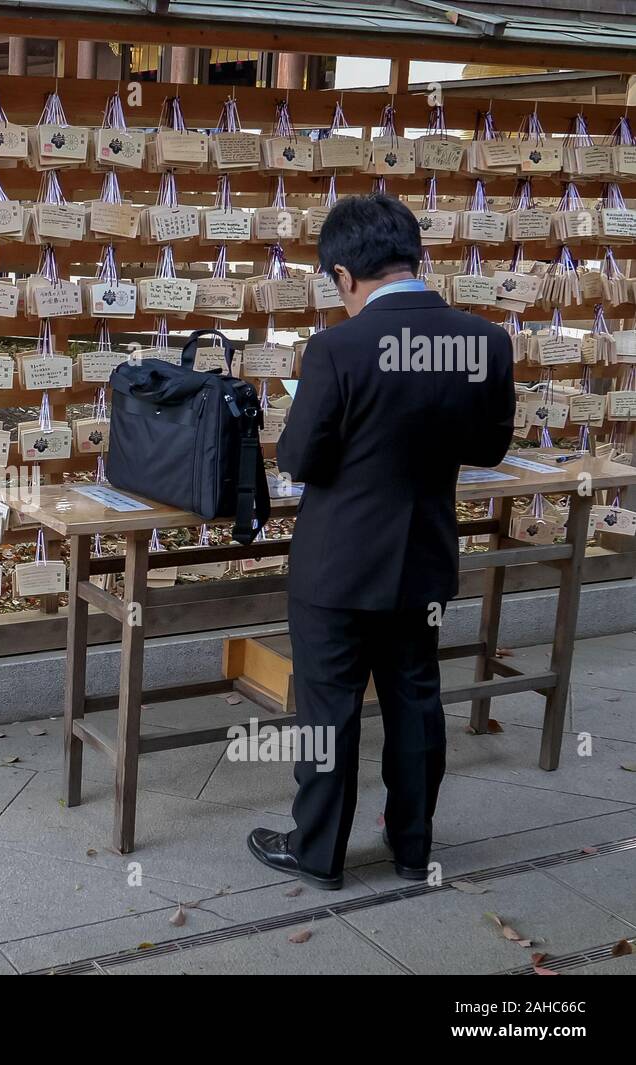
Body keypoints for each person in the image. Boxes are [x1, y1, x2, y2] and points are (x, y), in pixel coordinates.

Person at [246, 194, 516, 889]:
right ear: (413, 256)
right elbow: (489, 447)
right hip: (422, 560)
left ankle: (318, 851)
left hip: (337, 566)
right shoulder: (484, 341)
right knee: (416, 701)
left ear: (344, 274)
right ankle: (412, 847)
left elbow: (300, 457)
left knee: (328, 711)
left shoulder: (338, 347)